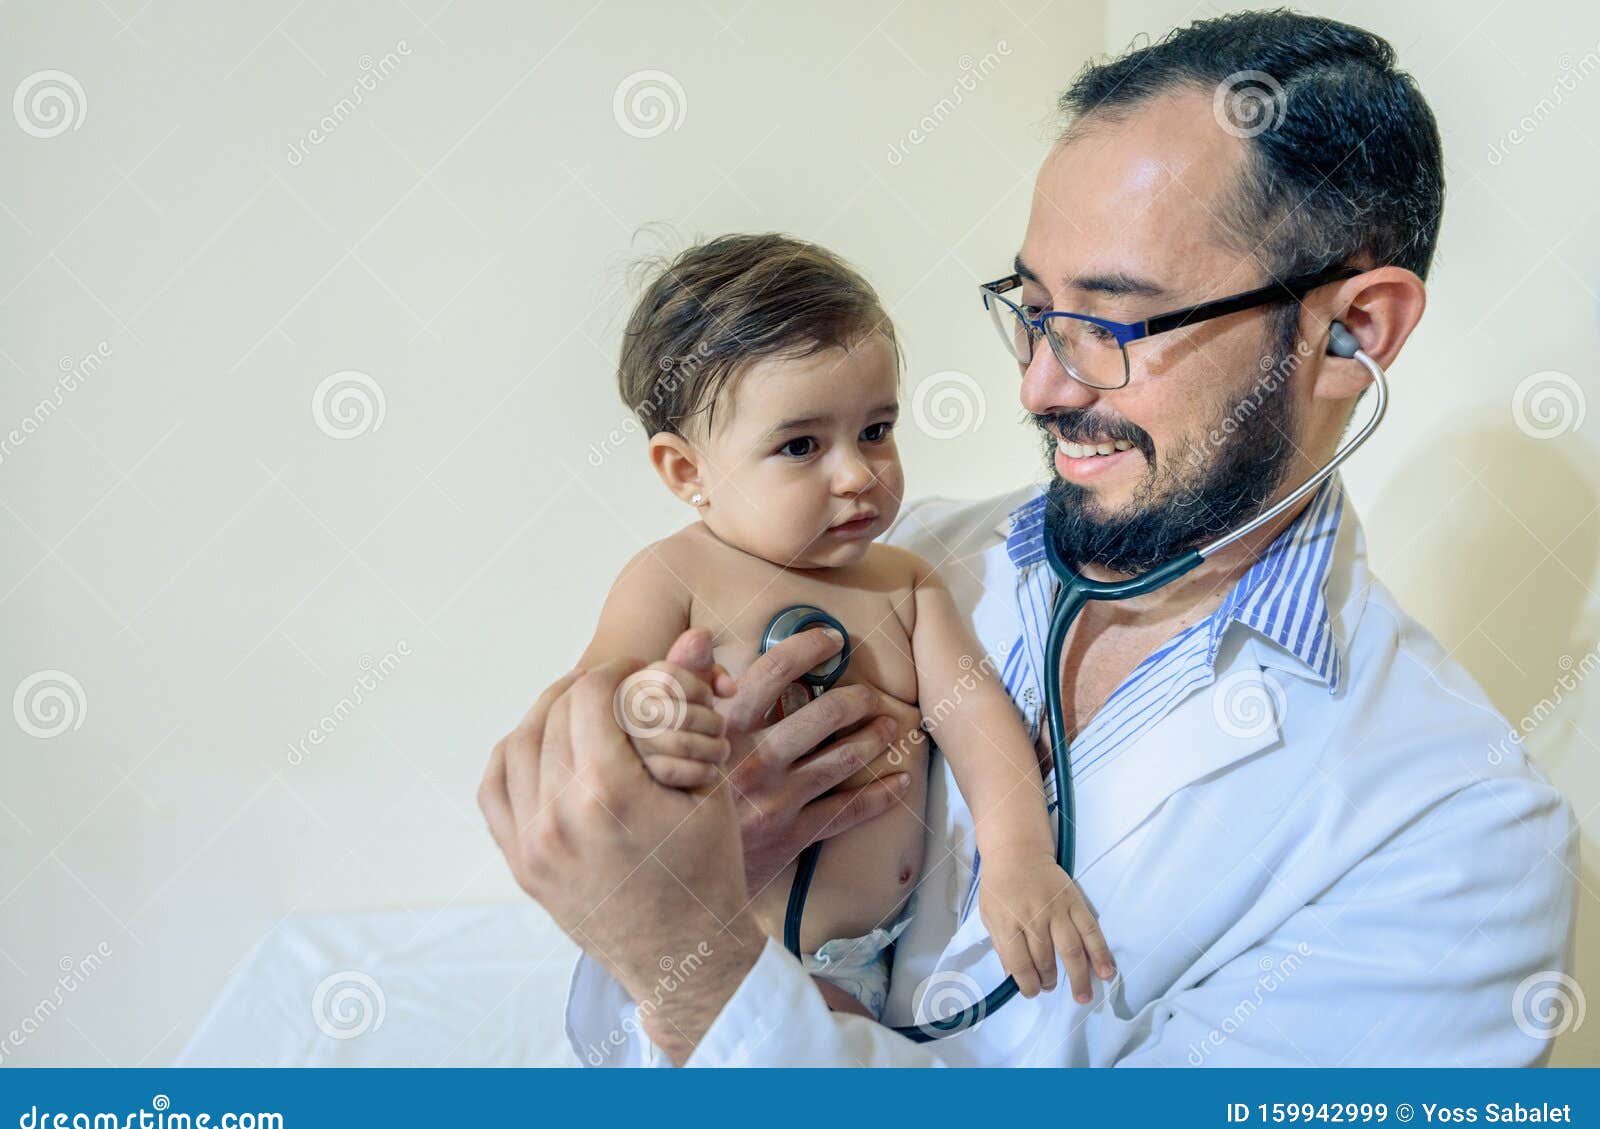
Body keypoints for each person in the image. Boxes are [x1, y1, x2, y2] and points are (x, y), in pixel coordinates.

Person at [479, 11, 1576, 1065]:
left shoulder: (1454, 845)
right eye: (1033, 308)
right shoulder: (892, 563)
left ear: (1350, 332)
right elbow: (618, 1040)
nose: (1040, 385)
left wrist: (698, 960)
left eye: (1109, 322)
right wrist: (694, 885)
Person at [577, 233, 1110, 1021]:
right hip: (728, 946)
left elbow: (981, 729)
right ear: (688, 472)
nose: (859, 474)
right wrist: (654, 721)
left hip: (873, 965)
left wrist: (1021, 859)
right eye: (800, 445)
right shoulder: (674, 578)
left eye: (876, 430)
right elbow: (593, 706)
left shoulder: (905, 585)